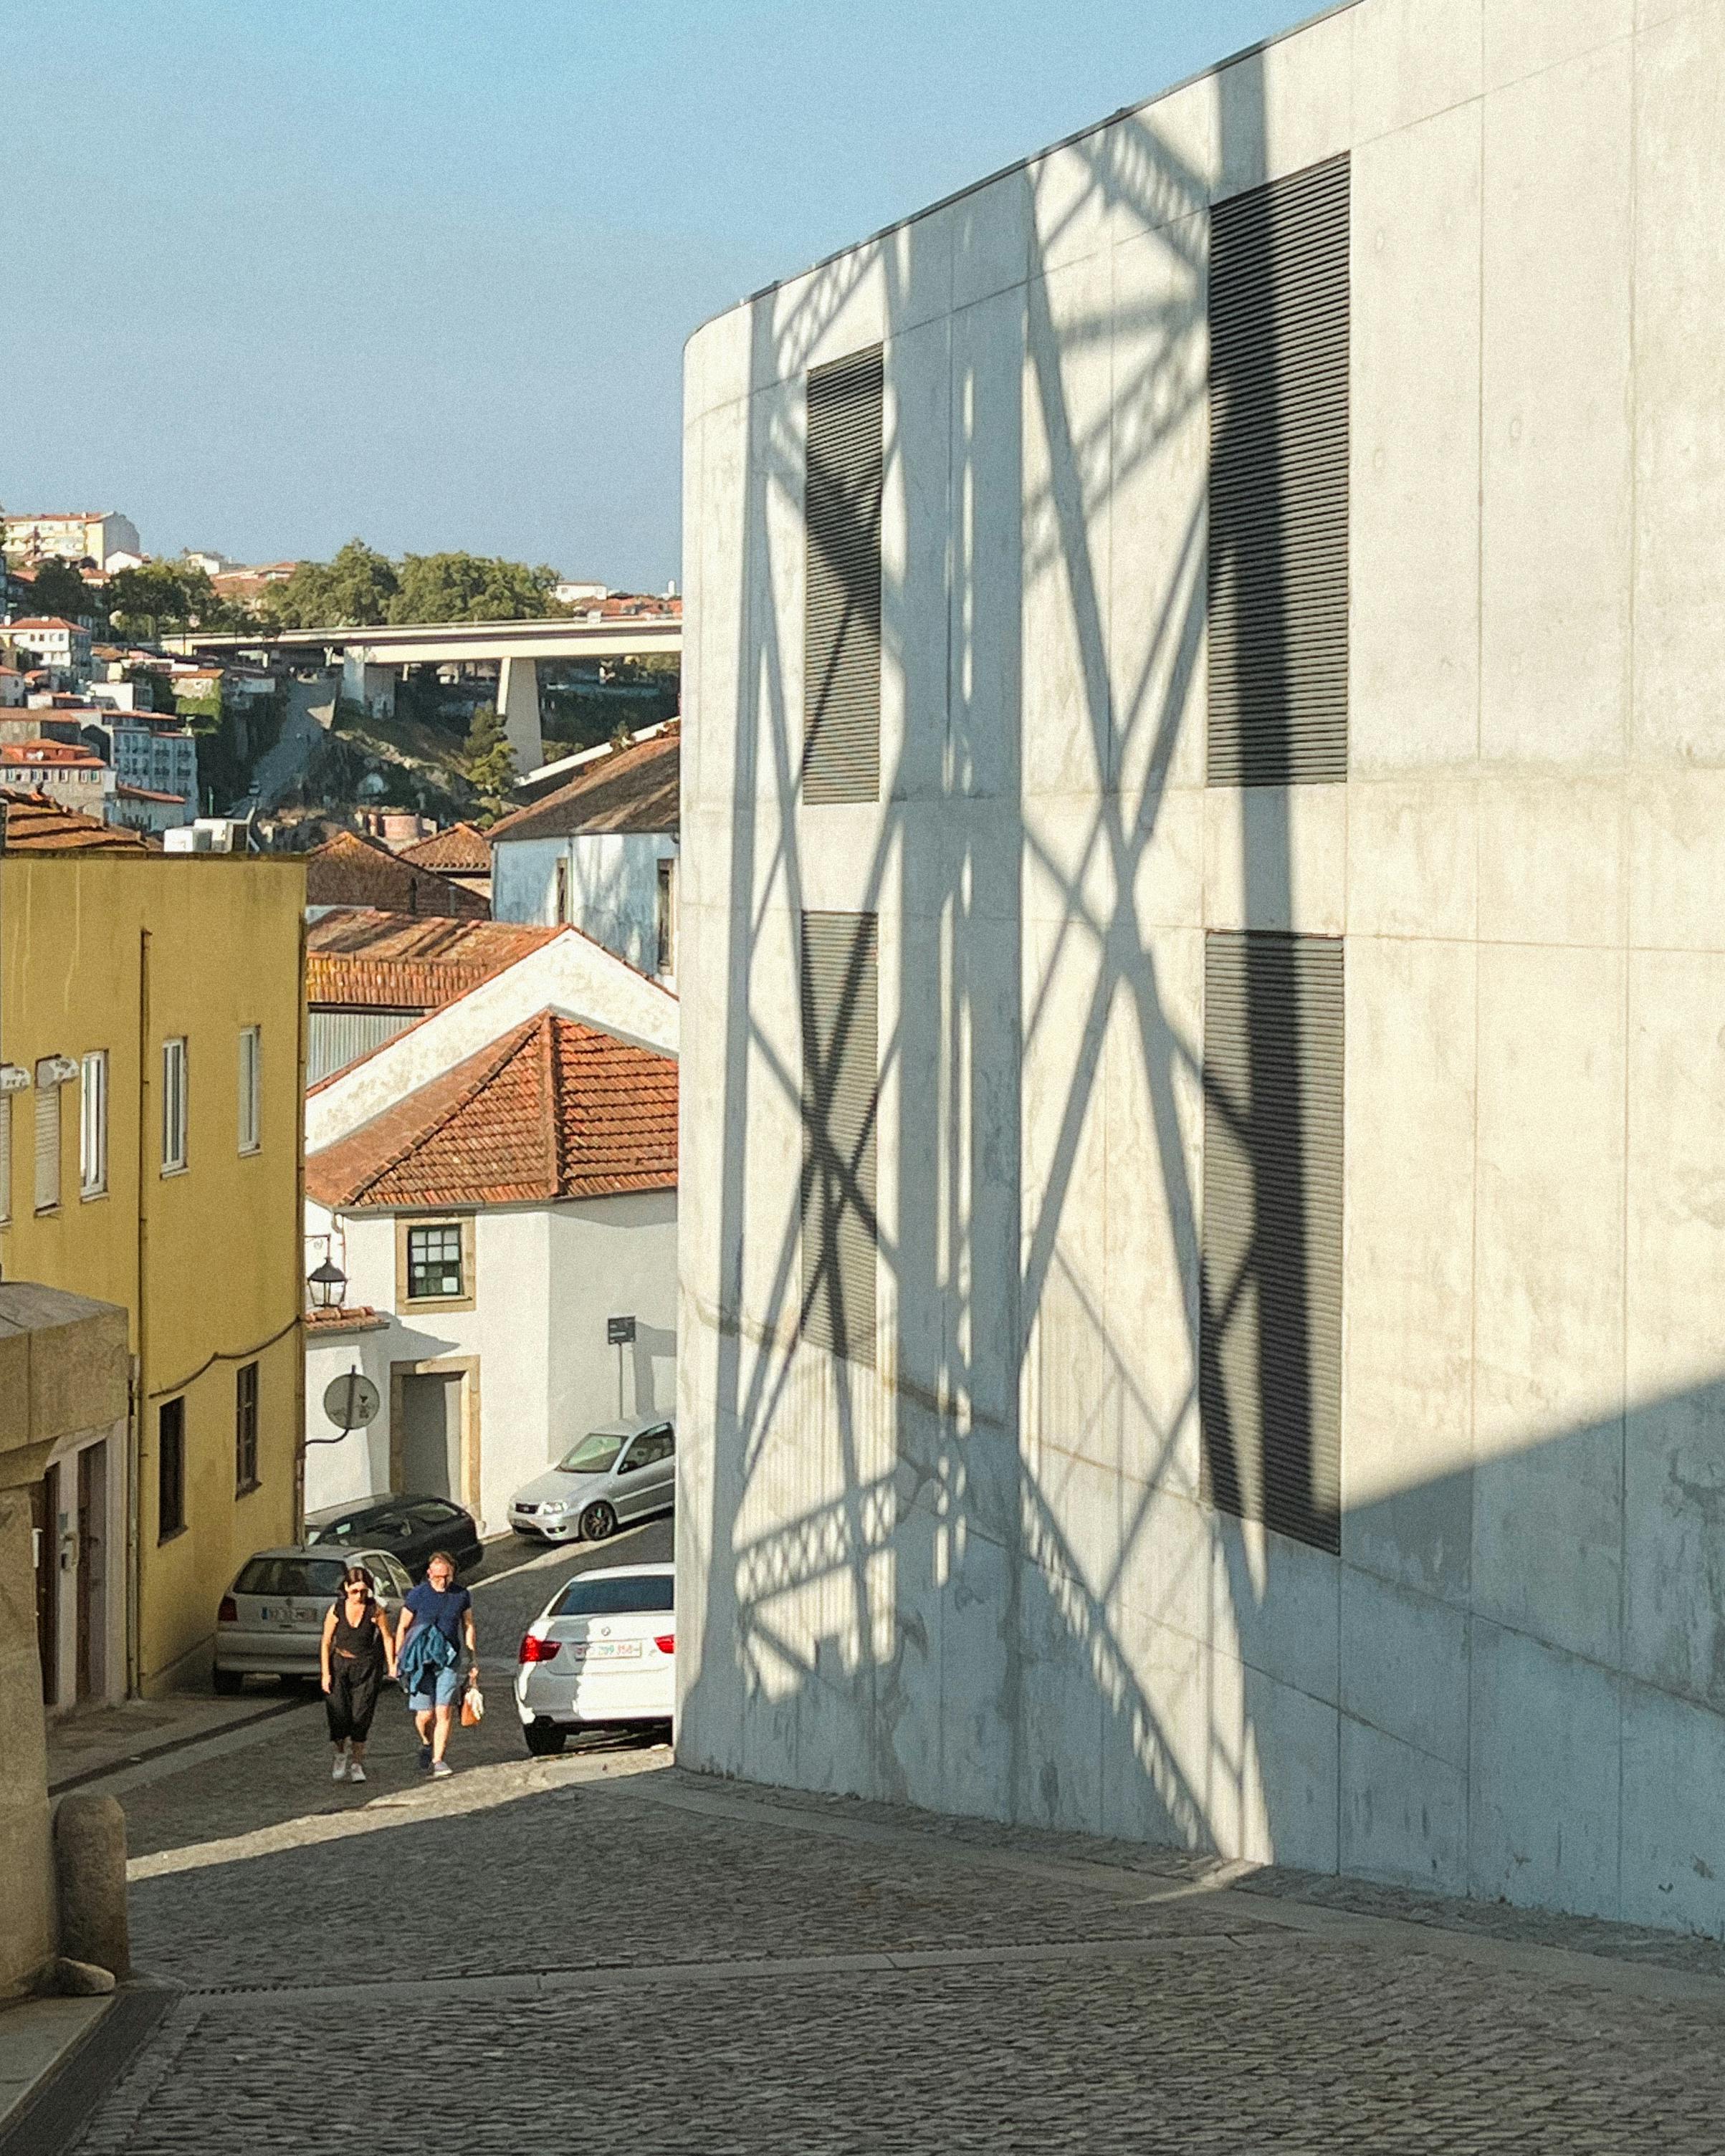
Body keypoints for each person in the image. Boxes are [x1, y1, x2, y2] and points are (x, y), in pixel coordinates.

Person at [396, 1551, 477, 1778]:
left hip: (449, 1660)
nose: (443, 1581)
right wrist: (397, 1658)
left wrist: (473, 1658)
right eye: (438, 1577)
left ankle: (439, 1759)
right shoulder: (417, 1595)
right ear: (429, 1573)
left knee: (444, 1710)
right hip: (421, 1660)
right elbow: (402, 1627)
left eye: (447, 1577)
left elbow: (468, 1625)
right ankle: (425, 1742)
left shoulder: (461, 1595)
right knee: (425, 1715)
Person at [320, 1565, 396, 1783]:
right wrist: (326, 1673)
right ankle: (340, 1754)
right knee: (339, 1714)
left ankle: (357, 1763)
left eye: (363, 1591)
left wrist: (392, 1665)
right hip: (340, 1666)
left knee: (361, 1715)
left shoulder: (375, 1610)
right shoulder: (336, 1609)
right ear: (346, 1588)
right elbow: (326, 1641)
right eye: (354, 1591)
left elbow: (387, 1637)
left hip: (367, 1667)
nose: (359, 1596)